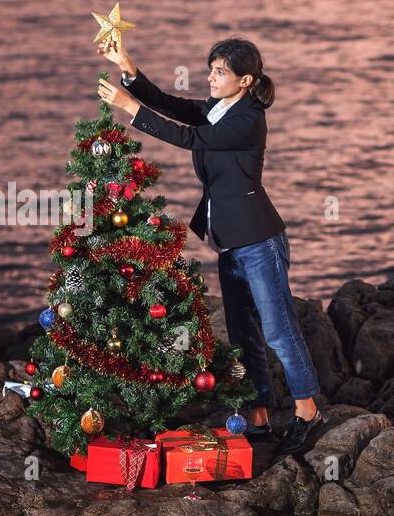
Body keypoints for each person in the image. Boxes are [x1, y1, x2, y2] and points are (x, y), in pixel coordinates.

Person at [95, 35, 326, 453]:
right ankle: (258, 414)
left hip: (259, 240)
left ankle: (307, 410)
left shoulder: (248, 118)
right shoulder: (217, 109)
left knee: (278, 330)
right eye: (211, 69)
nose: (210, 77)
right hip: (229, 242)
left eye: (220, 72)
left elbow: (190, 139)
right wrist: (128, 67)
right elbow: (169, 105)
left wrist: (129, 110)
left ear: (245, 80)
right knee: (243, 334)